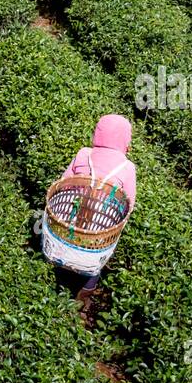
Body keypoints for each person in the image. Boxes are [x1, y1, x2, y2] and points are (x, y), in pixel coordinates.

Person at [54, 115, 137, 294]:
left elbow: (63, 182)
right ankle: (86, 290)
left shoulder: (84, 153)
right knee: (96, 259)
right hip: (100, 229)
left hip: (68, 221)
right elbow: (129, 204)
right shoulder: (127, 167)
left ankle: (59, 278)